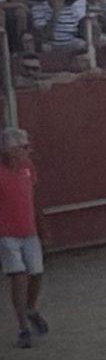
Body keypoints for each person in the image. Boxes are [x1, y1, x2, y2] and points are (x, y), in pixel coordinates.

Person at [0, 128, 48, 347]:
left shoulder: (28, 167)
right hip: (6, 233)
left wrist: (42, 226)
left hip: (29, 231)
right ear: (11, 150)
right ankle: (22, 326)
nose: (28, 151)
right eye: (24, 147)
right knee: (19, 275)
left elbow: (34, 197)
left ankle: (30, 309)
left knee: (36, 273)